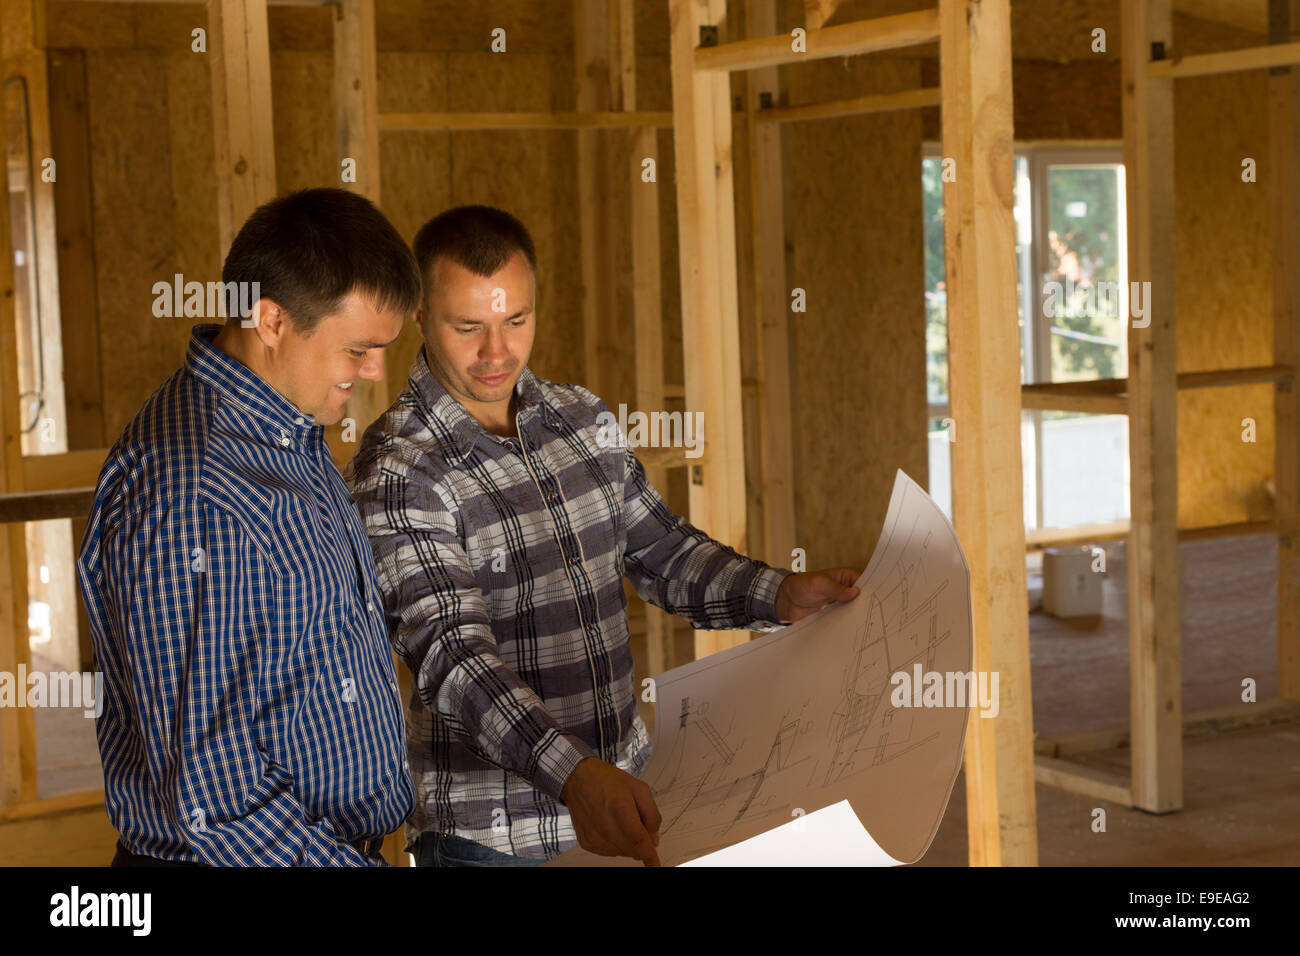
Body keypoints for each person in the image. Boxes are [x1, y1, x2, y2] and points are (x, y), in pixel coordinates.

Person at [348, 205, 860, 867]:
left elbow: (664, 553)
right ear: (420, 317)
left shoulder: (582, 419)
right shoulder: (399, 469)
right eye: (468, 327)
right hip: (492, 839)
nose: (497, 352)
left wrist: (779, 594)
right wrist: (576, 775)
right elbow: (456, 660)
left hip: (625, 799)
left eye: (517, 321)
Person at [77, 188, 421, 866]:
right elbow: (217, 795)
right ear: (270, 321)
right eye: (359, 348)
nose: (378, 370)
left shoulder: (283, 428)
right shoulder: (195, 489)